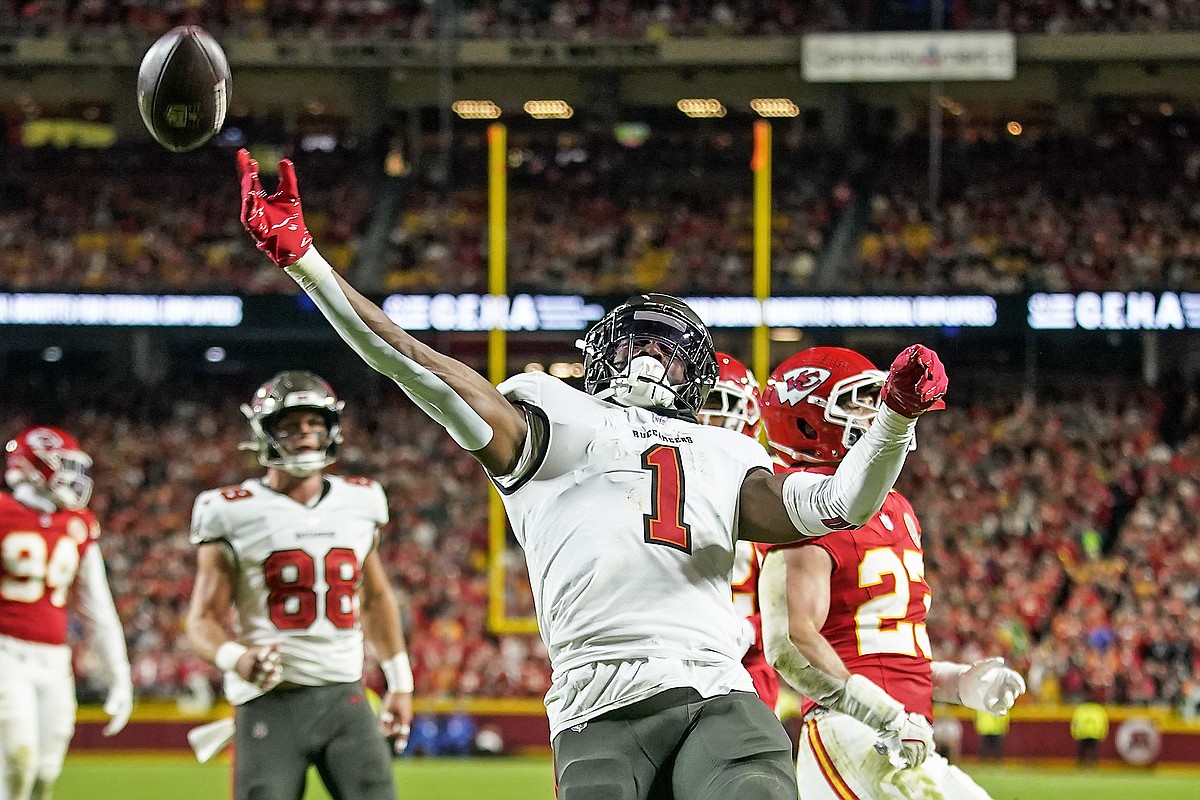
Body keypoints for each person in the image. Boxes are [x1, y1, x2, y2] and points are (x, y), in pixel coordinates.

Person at [235, 150, 947, 800]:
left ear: (696, 378)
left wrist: (896, 417)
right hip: (597, 703)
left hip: (716, 690)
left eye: (669, 352)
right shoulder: (551, 415)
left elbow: (839, 503)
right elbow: (411, 361)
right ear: (599, 355)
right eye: (638, 343)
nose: (649, 359)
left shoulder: (723, 452)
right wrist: (311, 266)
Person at [756, 346, 1027, 800]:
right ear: (805, 420)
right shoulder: (804, 506)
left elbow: (881, 649)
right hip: (856, 733)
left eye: (872, 398)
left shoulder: (896, 509)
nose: (871, 412)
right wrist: (884, 715)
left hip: (895, 734)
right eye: (855, 401)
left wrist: (959, 682)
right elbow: (791, 644)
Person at [184, 371, 414, 800]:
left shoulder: (361, 500)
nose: (306, 436)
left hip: (345, 694)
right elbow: (202, 619)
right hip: (271, 698)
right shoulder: (230, 510)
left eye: (314, 425)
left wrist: (400, 682)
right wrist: (237, 657)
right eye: (290, 427)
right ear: (265, 434)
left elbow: (377, 598)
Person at [0, 427, 133, 800]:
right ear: (35, 466)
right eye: (66, 466)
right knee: (17, 758)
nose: (75, 478)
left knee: (45, 771)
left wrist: (119, 673)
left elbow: (98, 606)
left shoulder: (78, 525)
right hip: (5, 651)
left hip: (54, 658)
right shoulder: (3, 512)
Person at [696, 352, 779, 712]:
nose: (703, 416)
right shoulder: (650, 478)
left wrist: (748, 631)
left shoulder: (769, 492)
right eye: (696, 402)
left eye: (717, 403)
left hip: (745, 664)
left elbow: (794, 606)